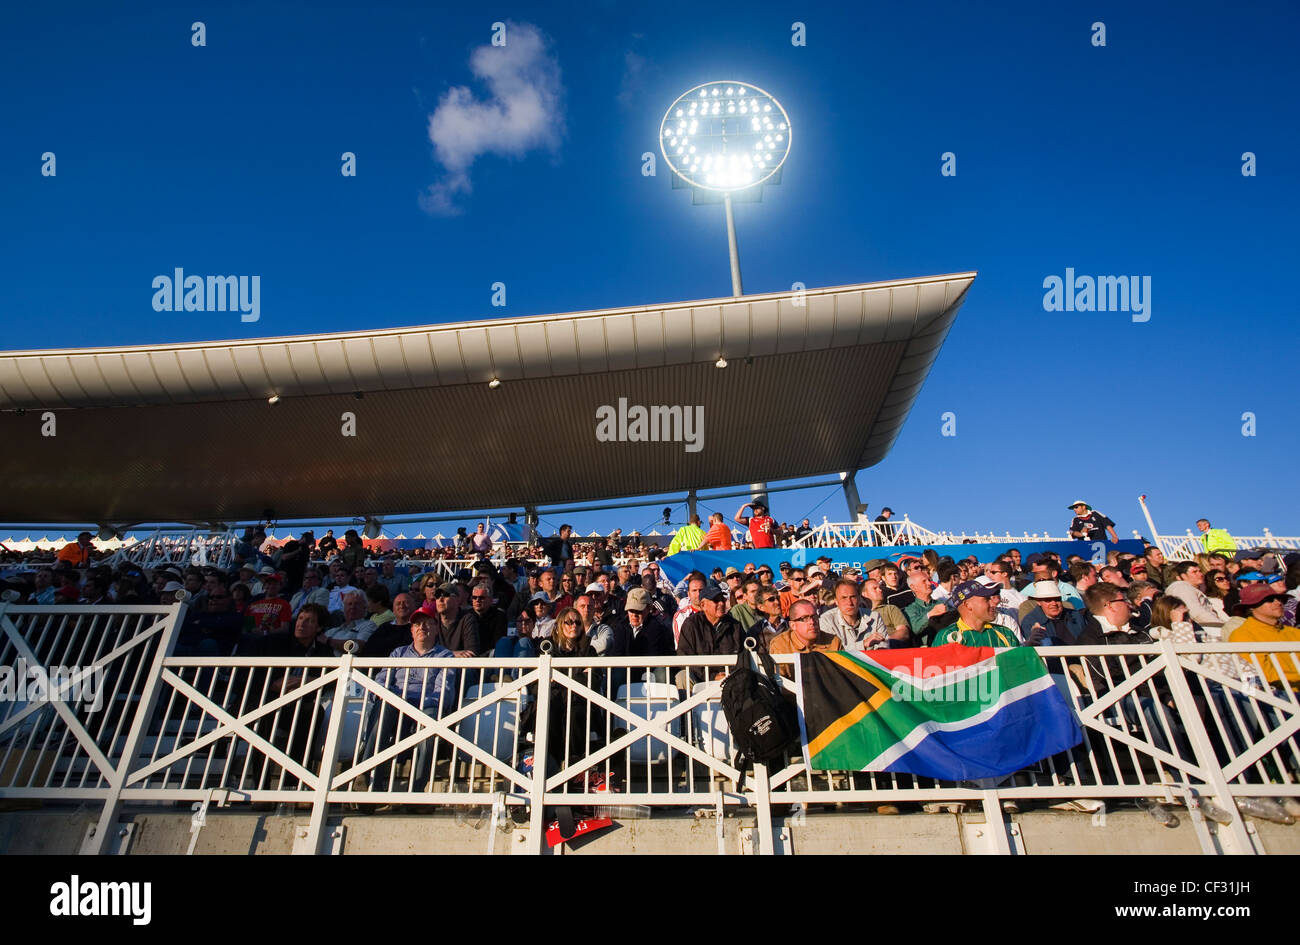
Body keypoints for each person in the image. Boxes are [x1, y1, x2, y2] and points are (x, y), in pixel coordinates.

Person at [364, 608, 457, 791]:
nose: (422, 627)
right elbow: (381, 681)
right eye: (417, 623)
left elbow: (443, 692)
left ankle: (417, 789)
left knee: (431, 718)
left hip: (426, 706)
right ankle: (368, 781)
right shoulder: (398, 653)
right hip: (396, 703)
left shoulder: (445, 656)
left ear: (436, 628)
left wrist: (420, 705)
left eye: (428, 622)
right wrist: (393, 698)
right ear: (411, 630)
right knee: (383, 707)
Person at [677, 586, 754, 683]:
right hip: (700, 680)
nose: (721, 603)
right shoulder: (691, 624)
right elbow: (684, 656)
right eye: (716, 601)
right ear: (703, 605)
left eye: (722, 600)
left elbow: (744, 655)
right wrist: (711, 676)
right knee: (682, 676)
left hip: (732, 681)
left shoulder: (735, 625)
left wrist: (729, 675)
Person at [931, 581, 1024, 647]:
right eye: (986, 599)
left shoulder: (1006, 634)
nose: (993, 604)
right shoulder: (947, 637)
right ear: (968, 605)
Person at [769, 599, 842, 677]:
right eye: (805, 618)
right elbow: (779, 681)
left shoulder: (834, 642)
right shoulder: (780, 645)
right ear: (793, 625)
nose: (812, 622)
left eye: (814, 616)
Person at [820, 578, 887, 650]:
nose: (849, 603)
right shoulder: (826, 620)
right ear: (836, 601)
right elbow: (832, 653)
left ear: (859, 598)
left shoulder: (874, 617)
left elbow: (884, 647)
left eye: (853, 597)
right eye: (844, 598)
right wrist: (863, 644)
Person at [1019, 581, 1087, 646]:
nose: (1054, 603)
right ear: (1039, 602)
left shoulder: (1076, 616)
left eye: (1057, 599)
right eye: (1048, 600)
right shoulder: (1030, 621)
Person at [361, 591, 413, 657]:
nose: (402, 606)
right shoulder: (384, 627)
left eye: (406, 602)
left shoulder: (419, 628)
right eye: (398, 603)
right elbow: (369, 648)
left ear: (415, 606)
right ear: (393, 610)